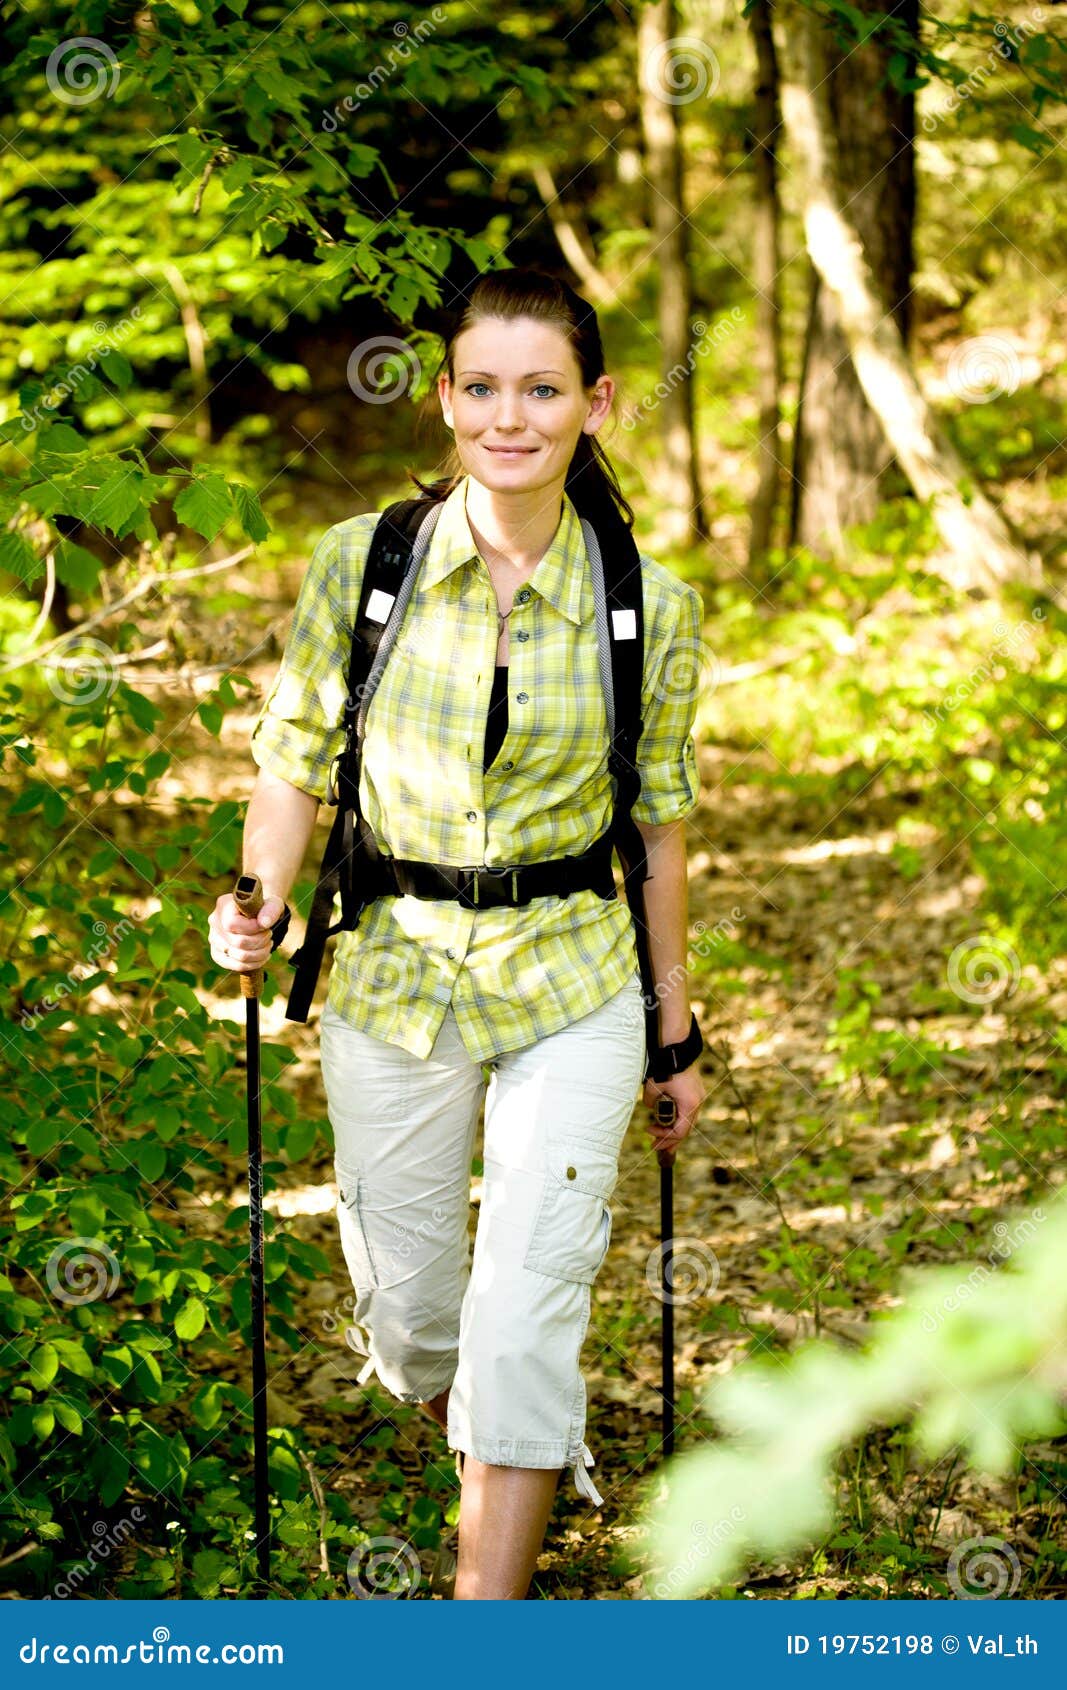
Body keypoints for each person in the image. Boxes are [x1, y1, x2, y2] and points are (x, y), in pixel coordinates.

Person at [208, 267, 705, 1600]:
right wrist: (258, 897)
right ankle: (485, 1417)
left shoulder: (649, 605)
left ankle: (483, 1620)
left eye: (542, 389)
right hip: (391, 974)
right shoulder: (361, 565)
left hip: (572, 978)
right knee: (415, 1317)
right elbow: (292, 765)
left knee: (527, 1304)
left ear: (596, 403)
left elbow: (658, 835)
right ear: (443, 397)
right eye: (481, 387)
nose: (509, 417)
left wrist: (674, 1033)